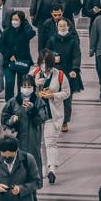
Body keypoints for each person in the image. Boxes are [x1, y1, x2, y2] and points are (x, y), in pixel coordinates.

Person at [31, 49, 71, 184]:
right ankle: (43, 166)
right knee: (40, 143)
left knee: (50, 142)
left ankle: (52, 168)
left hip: (52, 115)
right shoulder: (34, 73)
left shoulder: (59, 75)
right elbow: (24, 90)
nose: (44, 67)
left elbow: (66, 92)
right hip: (37, 115)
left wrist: (53, 95)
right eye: (42, 63)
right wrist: (34, 85)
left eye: (46, 64)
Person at [0, 75, 43, 183]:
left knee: (32, 165)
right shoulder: (13, 102)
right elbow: (4, 118)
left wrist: (32, 109)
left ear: (33, 87)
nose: (26, 89)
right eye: (24, 86)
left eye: (29, 86)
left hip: (32, 141)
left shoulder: (38, 102)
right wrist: (11, 120)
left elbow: (42, 118)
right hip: (15, 141)